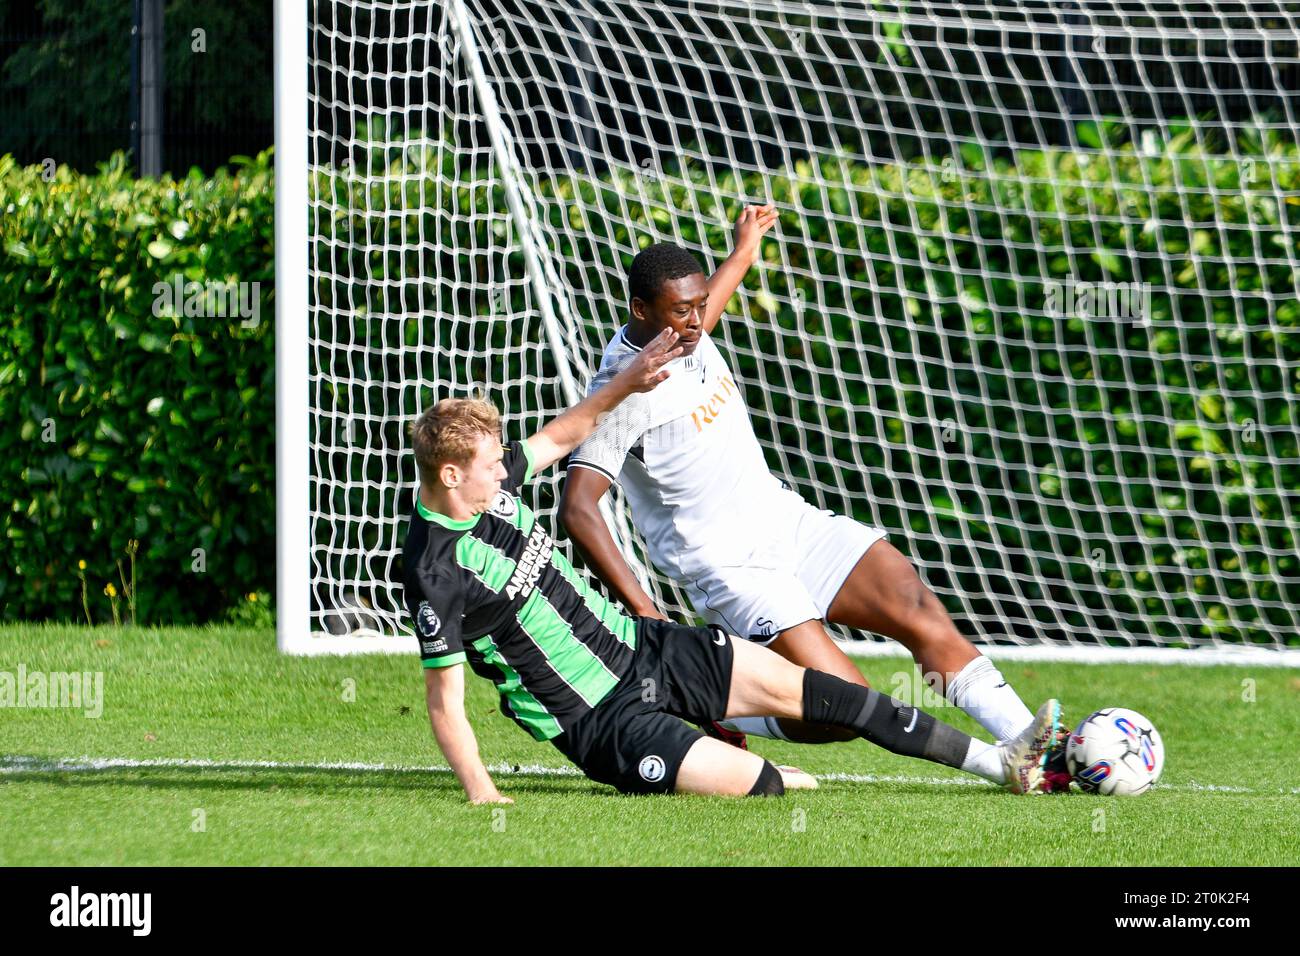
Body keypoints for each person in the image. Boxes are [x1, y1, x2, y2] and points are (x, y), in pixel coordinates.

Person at [401, 332, 1063, 802]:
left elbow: (563, 434)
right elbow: (444, 704)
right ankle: (726, 740)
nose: (504, 469)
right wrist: (482, 793)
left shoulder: (492, 482)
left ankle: (1002, 763)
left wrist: (629, 380)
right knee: (776, 787)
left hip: (648, 650)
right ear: (452, 474)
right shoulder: (434, 571)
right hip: (602, 720)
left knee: (844, 698)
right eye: (491, 465)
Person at [558, 209, 1061, 782]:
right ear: (640, 311)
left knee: (915, 606)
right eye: (682, 310)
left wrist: (744, 251)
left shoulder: (685, 331)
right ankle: (715, 703)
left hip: (785, 522)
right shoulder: (621, 390)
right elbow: (577, 506)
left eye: (701, 305)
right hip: (732, 568)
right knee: (842, 705)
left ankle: (1036, 749)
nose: (698, 321)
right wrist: (646, 611)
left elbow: (708, 301)